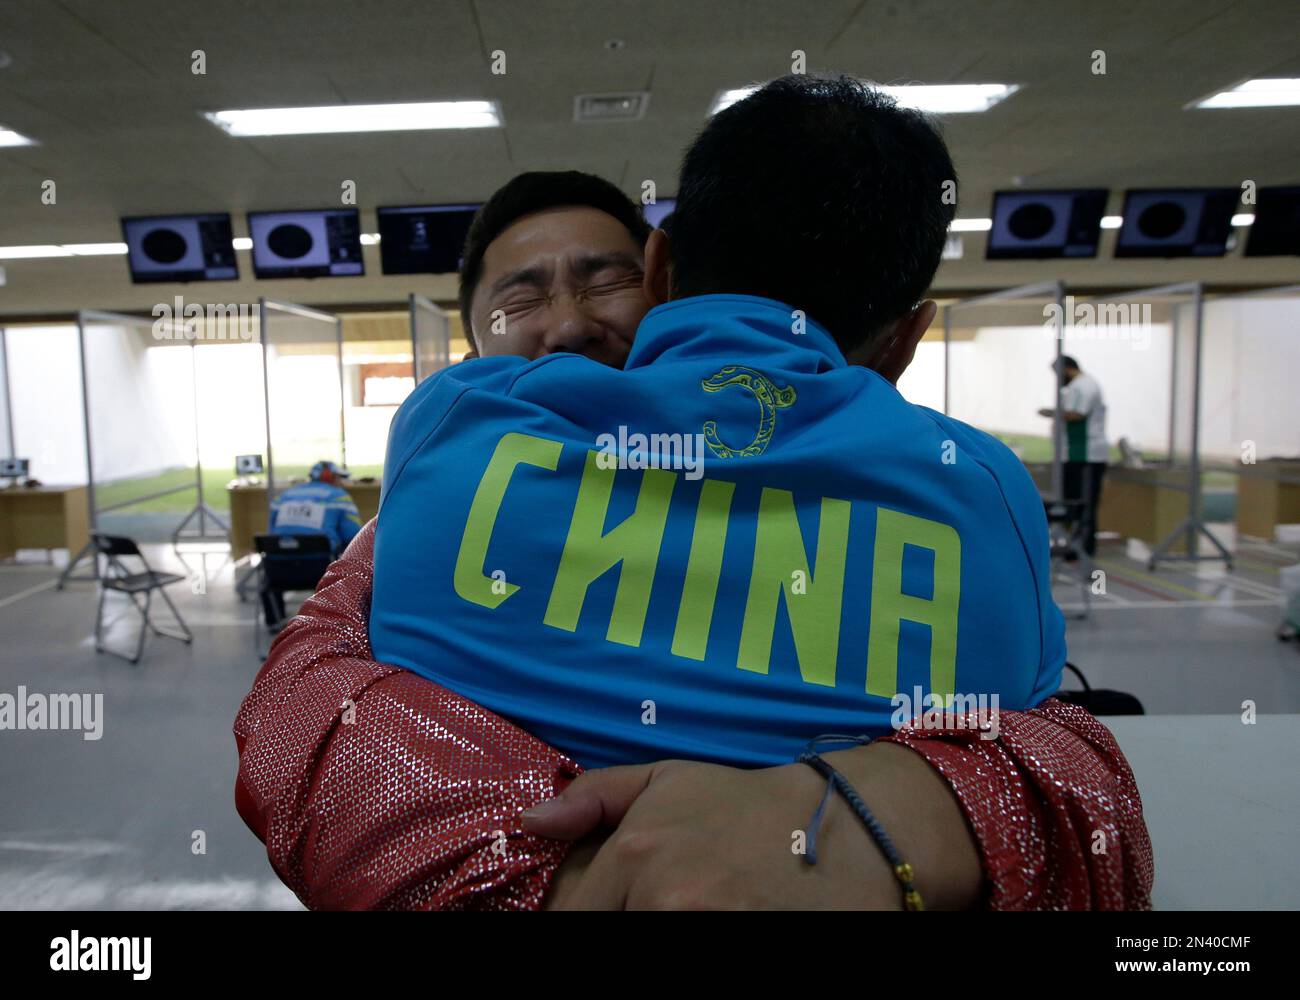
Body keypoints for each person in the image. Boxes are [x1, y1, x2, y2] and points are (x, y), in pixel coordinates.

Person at [235, 160, 1151, 909]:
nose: (565, 325)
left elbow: (1065, 767)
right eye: (519, 301)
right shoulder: (420, 532)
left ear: (670, 285)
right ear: (474, 344)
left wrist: (882, 815)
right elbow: (301, 727)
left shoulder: (920, 499)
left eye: (608, 278)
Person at [260, 460, 362, 626]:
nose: (341, 482)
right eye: (339, 478)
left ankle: (274, 619)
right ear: (329, 477)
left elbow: (272, 535)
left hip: (277, 573)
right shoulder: (339, 497)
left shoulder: (283, 498)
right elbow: (353, 538)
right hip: (320, 572)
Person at [1039, 355, 1108, 557]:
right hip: (1074, 454)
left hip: (1085, 456)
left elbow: (1077, 414)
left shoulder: (1083, 386)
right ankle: (1074, 547)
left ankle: (1083, 550)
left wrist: (1051, 413)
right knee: (1074, 503)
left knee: (1083, 505)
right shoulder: (1077, 386)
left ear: (1068, 369)